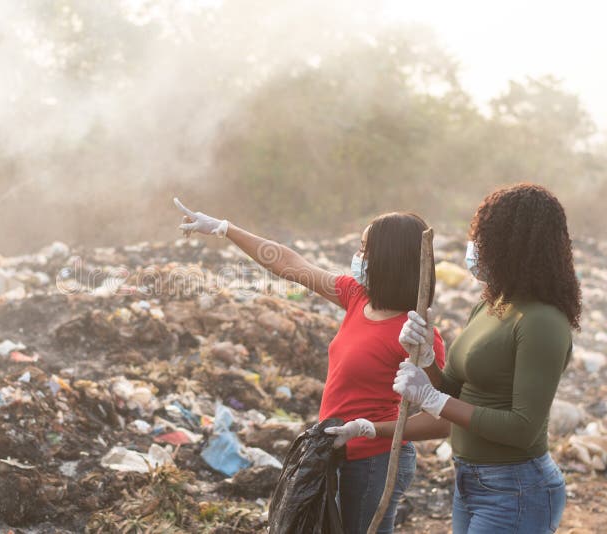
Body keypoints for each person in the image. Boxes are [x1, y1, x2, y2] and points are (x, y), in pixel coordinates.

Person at [174, 198, 450, 534]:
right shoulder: (357, 298)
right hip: (335, 452)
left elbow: (443, 421)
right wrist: (226, 229)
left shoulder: (415, 333)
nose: (358, 258)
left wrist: (371, 428)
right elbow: (289, 264)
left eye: (365, 249)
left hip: (375, 462)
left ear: (388, 259)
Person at [392, 183, 580, 533]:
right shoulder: (489, 306)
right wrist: (426, 356)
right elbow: (455, 388)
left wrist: (434, 400)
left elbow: (522, 428)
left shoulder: (542, 322)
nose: (475, 249)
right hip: (469, 482)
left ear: (515, 248)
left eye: (484, 240)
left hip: (516, 490)